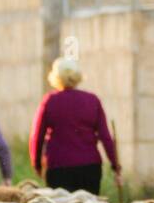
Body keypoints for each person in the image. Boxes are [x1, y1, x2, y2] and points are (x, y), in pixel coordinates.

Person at [29, 57, 121, 195]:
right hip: (89, 168)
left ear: (56, 77)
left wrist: (36, 164)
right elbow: (105, 137)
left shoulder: (50, 101)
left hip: (59, 168)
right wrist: (115, 165)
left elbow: (37, 136)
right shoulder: (92, 100)